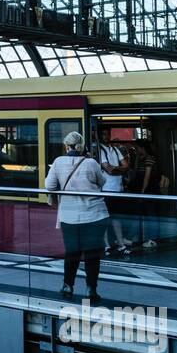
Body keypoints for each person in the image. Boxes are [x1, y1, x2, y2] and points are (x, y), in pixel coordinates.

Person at [45, 131, 109, 303]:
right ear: (82, 146)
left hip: (69, 216)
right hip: (95, 215)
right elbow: (102, 182)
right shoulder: (91, 162)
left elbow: (49, 185)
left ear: (66, 146)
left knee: (72, 253)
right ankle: (91, 290)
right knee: (92, 254)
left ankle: (67, 285)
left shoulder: (58, 162)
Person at [96, 127, 132, 255]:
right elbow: (109, 170)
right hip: (106, 190)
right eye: (104, 134)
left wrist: (117, 169)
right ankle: (106, 245)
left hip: (117, 189)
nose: (106, 136)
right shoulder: (99, 150)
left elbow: (126, 166)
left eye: (107, 134)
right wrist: (120, 169)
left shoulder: (115, 149)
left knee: (117, 218)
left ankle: (120, 244)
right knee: (106, 218)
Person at [131, 140, 160, 250]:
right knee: (142, 214)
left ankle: (152, 239)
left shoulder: (149, 159)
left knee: (151, 215)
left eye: (137, 148)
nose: (136, 150)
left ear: (143, 148)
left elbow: (147, 177)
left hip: (149, 191)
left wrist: (142, 193)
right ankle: (133, 237)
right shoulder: (141, 159)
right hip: (145, 191)